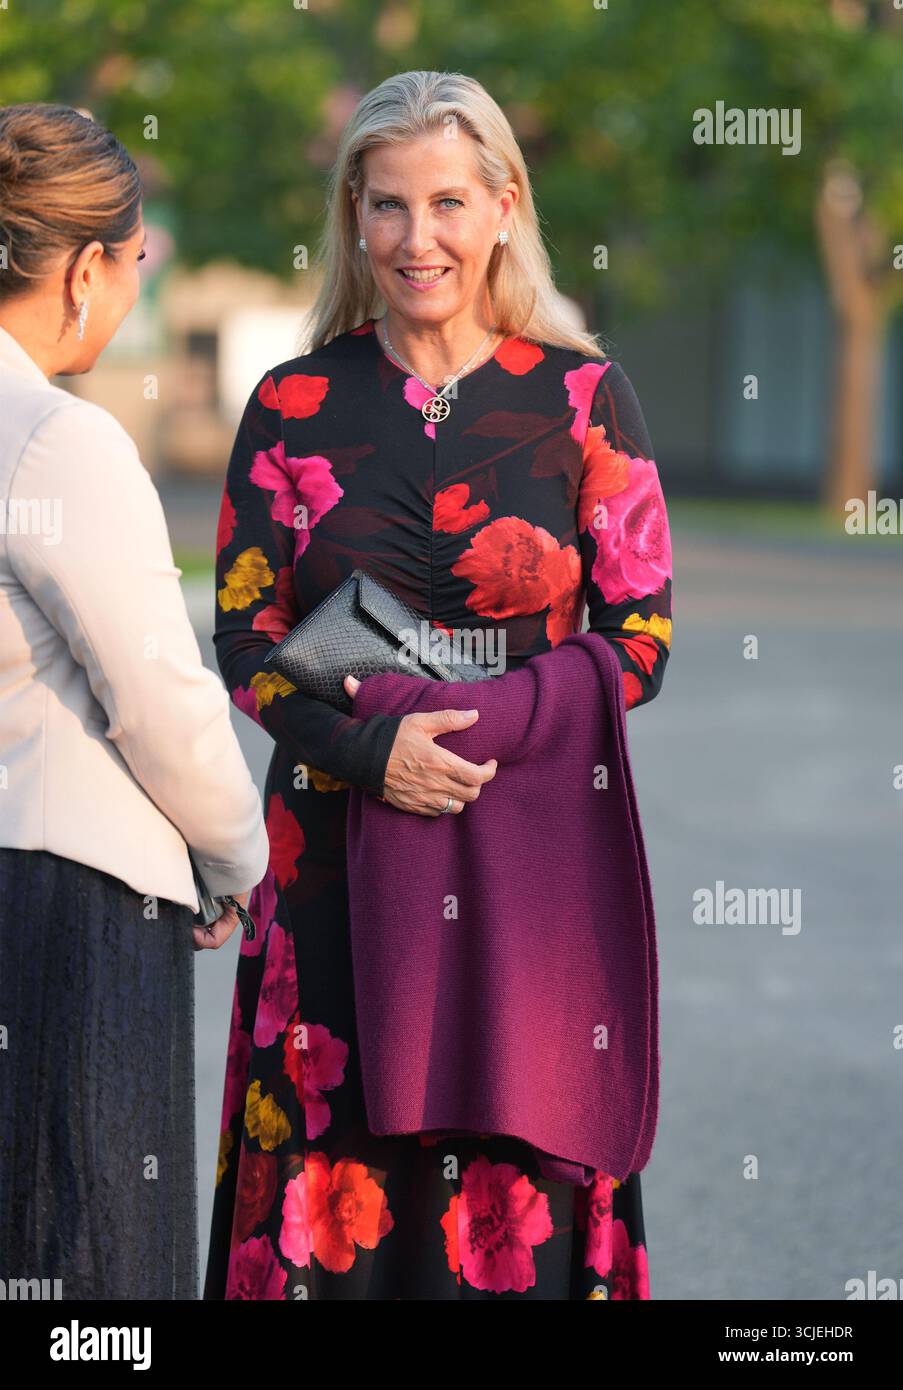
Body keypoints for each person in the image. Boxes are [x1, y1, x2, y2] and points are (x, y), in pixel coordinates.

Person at [204, 69, 672, 1301]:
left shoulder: (582, 397)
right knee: (339, 1176)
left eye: (451, 203)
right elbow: (250, 645)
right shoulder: (291, 404)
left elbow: (643, 638)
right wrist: (374, 755)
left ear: (505, 206)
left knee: (514, 1188)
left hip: (530, 863)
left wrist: (495, 724)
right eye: (391, 207)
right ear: (354, 217)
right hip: (330, 862)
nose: (423, 240)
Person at [0, 102, 269, 1299]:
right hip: (73, 906)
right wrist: (237, 856)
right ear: (84, 270)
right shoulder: (59, 437)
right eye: (134, 263)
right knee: (98, 1269)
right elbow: (160, 696)